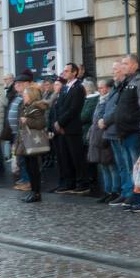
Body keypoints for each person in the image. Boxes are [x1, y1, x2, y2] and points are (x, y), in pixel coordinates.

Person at [108, 53, 140, 213]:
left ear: (135, 65)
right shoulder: (127, 82)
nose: (123, 66)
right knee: (132, 168)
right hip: (125, 132)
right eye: (122, 64)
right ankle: (136, 197)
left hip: (136, 131)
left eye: (125, 63)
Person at [52, 63, 88, 193]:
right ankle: (69, 182)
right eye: (64, 70)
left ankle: (82, 183)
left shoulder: (78, 88)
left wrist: (60, 122)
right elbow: (57, 106)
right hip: (62, 129)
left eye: (67, 71)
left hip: (72, 129)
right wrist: (57, 123)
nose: (64, 73)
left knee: (76, 157)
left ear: (74, 73)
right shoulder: (64, 88)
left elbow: (74, 109)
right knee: (65, 157)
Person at [88, 77, 119, 204]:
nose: (100, 90)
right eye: (99, 88)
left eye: (102, 87)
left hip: (106, 135)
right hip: (97, 136)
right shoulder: (100, 100)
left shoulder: (109, 101)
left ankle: (115, 191)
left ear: (108, 88)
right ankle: (107, 191)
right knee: (103, 166)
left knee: (111, 166)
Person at [17, 85, 49, 203]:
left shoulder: (36, 108)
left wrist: (27, 121)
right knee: (29, 168)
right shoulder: (27, 107)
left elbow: (41, 123)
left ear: (30, 96)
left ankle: (36, 193)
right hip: (26, 142)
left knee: (34, 169)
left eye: (25, 95)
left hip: (32, 143)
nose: (23, 96)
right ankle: (33, 192)